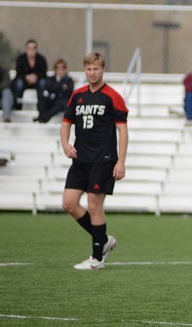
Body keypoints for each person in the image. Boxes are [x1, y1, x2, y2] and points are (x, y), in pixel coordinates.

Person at [60, 52, 129, 270]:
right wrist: (65, 144)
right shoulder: (77, 95)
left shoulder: (112, 96)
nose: (92, 73)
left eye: (96, 69)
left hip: (103, 159)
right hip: (81, 159)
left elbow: (123, 131)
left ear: (103, 70)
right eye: (89, 69)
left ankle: (97, 258)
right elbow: (66, 123)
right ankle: (103, 239)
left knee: (94, 204)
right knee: (69, 203)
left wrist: (121, 161)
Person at [12, 39, 48, 111]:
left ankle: (41, 108)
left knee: (43, 83)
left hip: (37, 81)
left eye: (33, 48)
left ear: (36, 49)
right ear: (26, 49)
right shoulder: (21, 59)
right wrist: (26, 77)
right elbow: (19, 72)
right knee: (19, 83)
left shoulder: (41, 59)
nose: (31, 51)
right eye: (29, 48)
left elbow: (43, 72)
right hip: (24, 81)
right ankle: (17, 107)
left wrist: (36, 77)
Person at [36, 59, 75, 123]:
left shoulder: (69, 80)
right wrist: (61, 86)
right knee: (42, 97)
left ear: (65, 70)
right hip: (52, 100)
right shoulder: (51, 79)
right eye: (58, 68)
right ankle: (42, 116)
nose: (60, 71)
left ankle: (44, 117)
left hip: (62, 102)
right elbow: (49, 88)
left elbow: (69, 91)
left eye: (62, 68)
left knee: (62, 103)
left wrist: (57, 87)